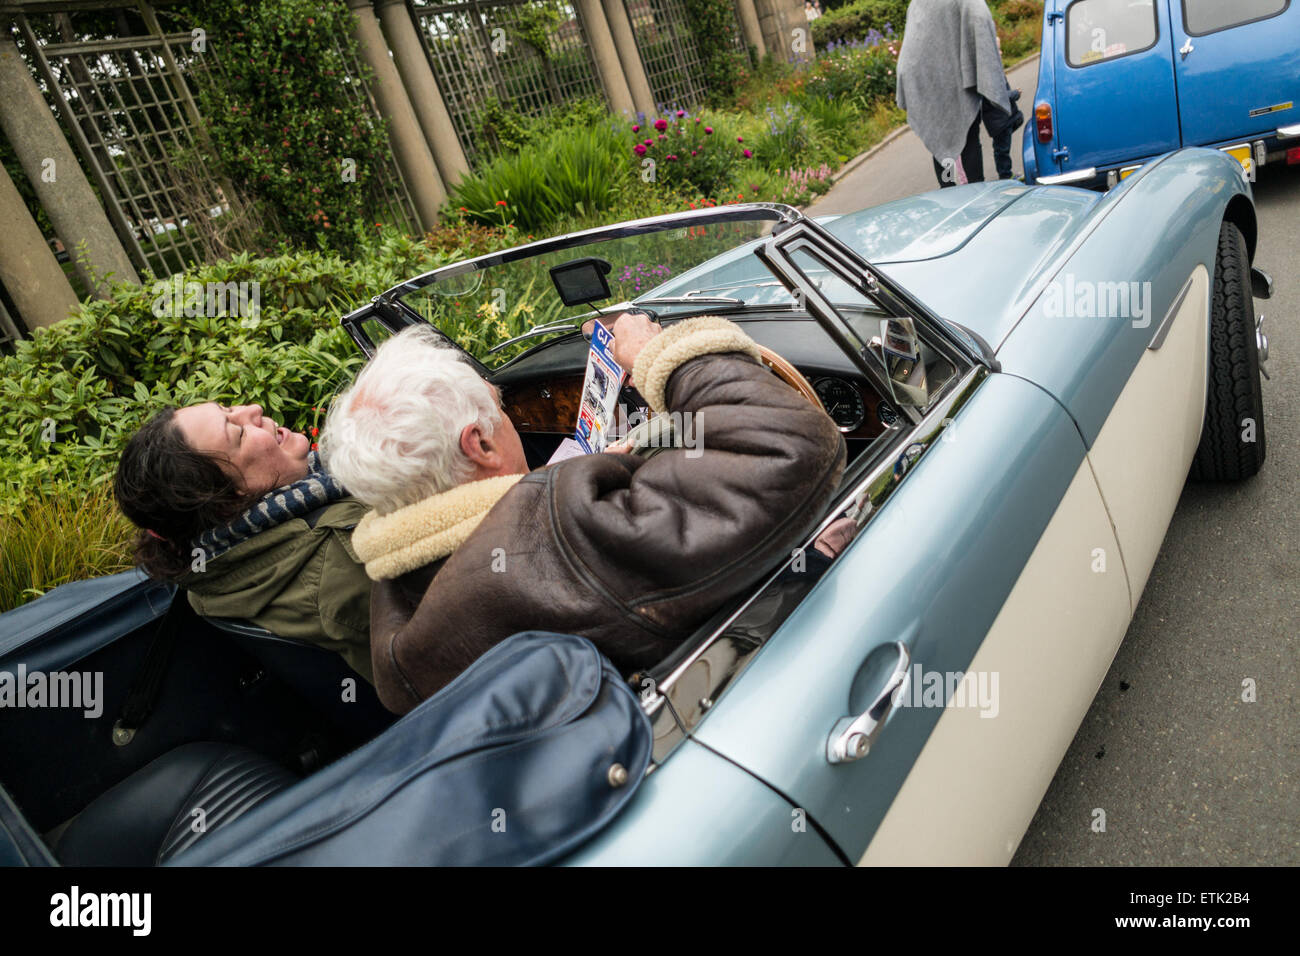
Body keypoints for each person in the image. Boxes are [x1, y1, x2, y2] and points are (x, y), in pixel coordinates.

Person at [321, 315, 846, 715]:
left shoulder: (397, 622)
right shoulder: (566, 532)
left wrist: (585, 481)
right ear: (479, 443)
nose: (508, 419)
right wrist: (654, 355)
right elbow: (793, 444)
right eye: (501, 408)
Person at [114, 402, 373, 681]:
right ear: (227, 503)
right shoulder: (350, 559)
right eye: (238, 433)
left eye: (228, 408)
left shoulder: (212, 571)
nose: (255, 408)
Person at [896, 0, 1012, 187]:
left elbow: (912, 45)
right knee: (969, 141)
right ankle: (977, 191)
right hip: (957, 82)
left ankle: (949, 192)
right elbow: (980, 15)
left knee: (941, 145)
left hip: (927, 82)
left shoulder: (917, 3)